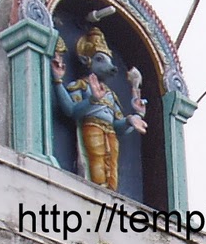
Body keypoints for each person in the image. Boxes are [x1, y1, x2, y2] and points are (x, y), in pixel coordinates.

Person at [53, 27, 147, 190]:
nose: (110, 67)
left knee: (112, 176)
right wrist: (59, 82)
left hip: (110, 134)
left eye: (109, 61)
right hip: (92, 128)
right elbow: (71, 110)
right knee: (96, 170)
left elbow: (118, 127)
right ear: (86, 60)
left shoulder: (109, 94)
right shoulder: (82, 85)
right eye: (100, 59)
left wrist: (132, 119)